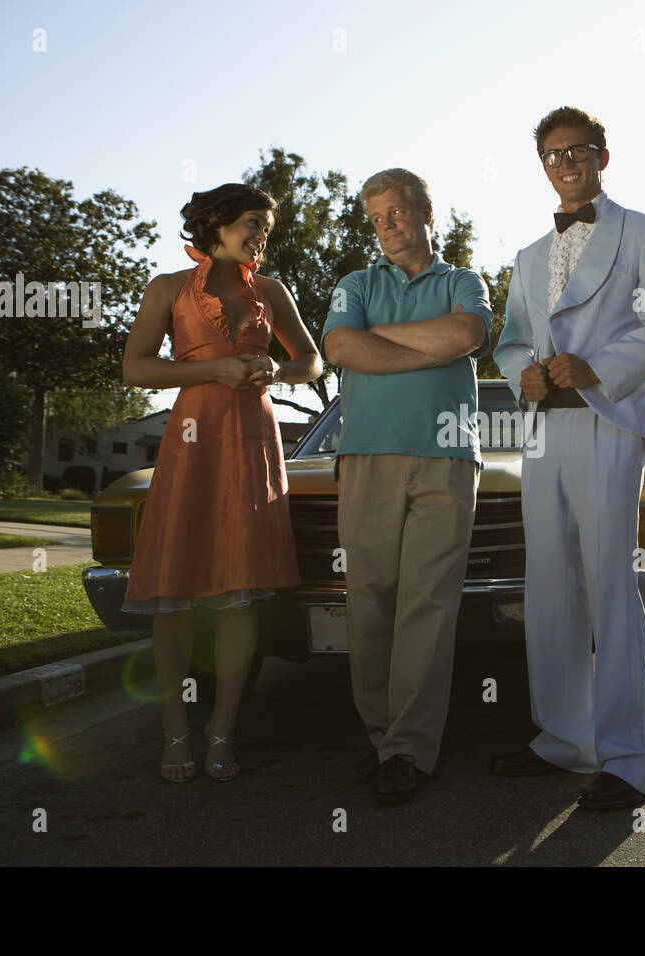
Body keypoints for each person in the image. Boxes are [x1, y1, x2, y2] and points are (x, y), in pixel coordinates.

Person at [491, 107, 645, 810]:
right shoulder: (525, 258)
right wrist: (525, 371)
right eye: (552, 154)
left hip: (609, 421)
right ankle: (564, 740)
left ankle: (633, 758)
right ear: (543, 164)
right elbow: (511, 340)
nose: (566, 162)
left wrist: (595, 366)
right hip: (543, 431)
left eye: (578, 150)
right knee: (549, 589)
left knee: (611, 587)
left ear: (603, 156)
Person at [121, 183, 323, 782]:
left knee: (240, 594)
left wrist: (273, 368)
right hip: (192, 441)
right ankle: (174, 732)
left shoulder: (272, 290)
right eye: (252, 223)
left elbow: (312, 360)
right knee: (174, 593)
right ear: (217, 224)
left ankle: (222, 732)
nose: (262, 234)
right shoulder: (167, 289)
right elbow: (136, 366)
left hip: (254, 442)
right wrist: (214, 368)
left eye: (266, 225)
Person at [322, 168, 493, 804]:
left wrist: (385, 337)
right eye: (376, 218)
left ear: (425, 212)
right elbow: (341, 348)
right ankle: (380, 736)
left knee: (429, 602)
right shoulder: (356, 284)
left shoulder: (462, 281)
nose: (387, 226)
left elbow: (465, 335)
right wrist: (431, 348)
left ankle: (407, 752)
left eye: (396, 212)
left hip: (448, 457)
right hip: (367, 456)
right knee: (370, 597)